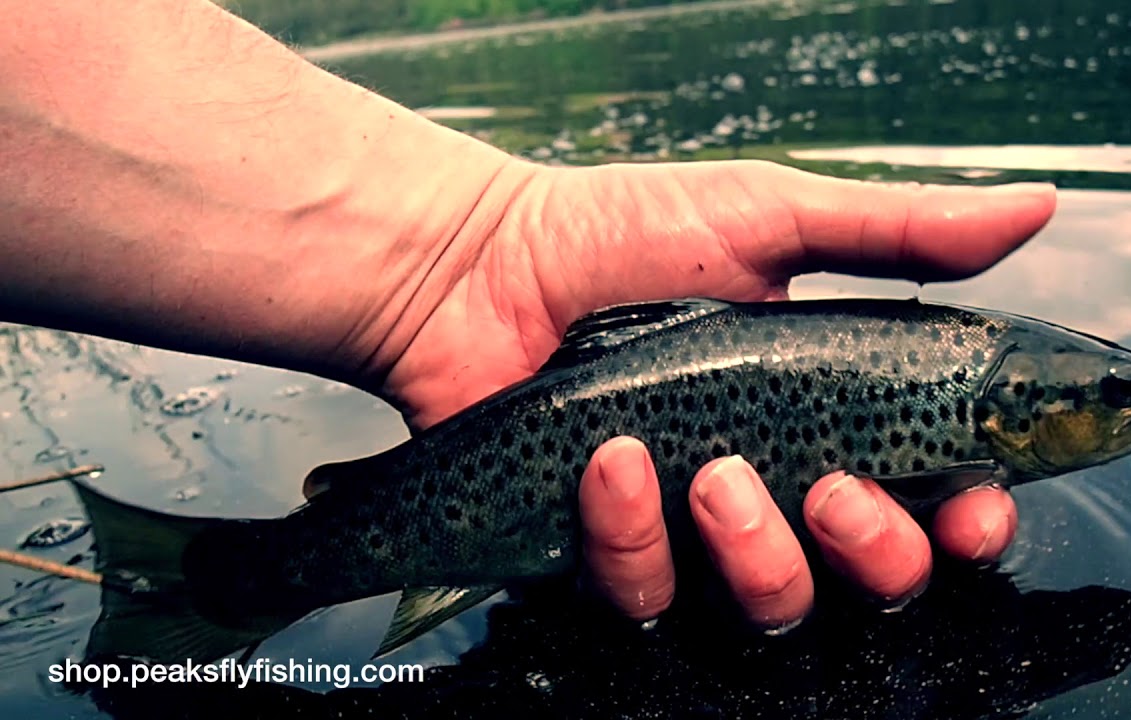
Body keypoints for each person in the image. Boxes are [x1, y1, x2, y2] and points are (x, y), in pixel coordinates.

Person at [0, 1, 1054, 634]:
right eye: (1116, 395)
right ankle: (228, 586)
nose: (1128, 403)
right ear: (1010, 413)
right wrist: (467, 246)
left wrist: (465, 245)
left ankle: (229, 584)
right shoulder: (968, 384)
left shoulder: (964, 374)